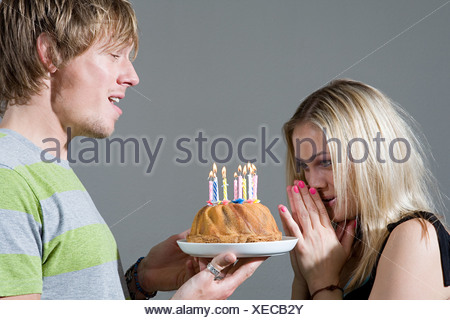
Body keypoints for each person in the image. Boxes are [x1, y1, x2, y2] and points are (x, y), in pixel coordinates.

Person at [0, 0, 264, 300]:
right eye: (114, 55)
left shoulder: (43, 170)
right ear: (50, 53)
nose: (132, 76)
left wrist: (139, 281)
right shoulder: (7, 179)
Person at [278, 79, 450, 299]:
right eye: (304, 167)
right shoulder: (343, 248)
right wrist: (303, 276)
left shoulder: (415, 237)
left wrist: (324, 282)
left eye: (326, 162)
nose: (313, 183)